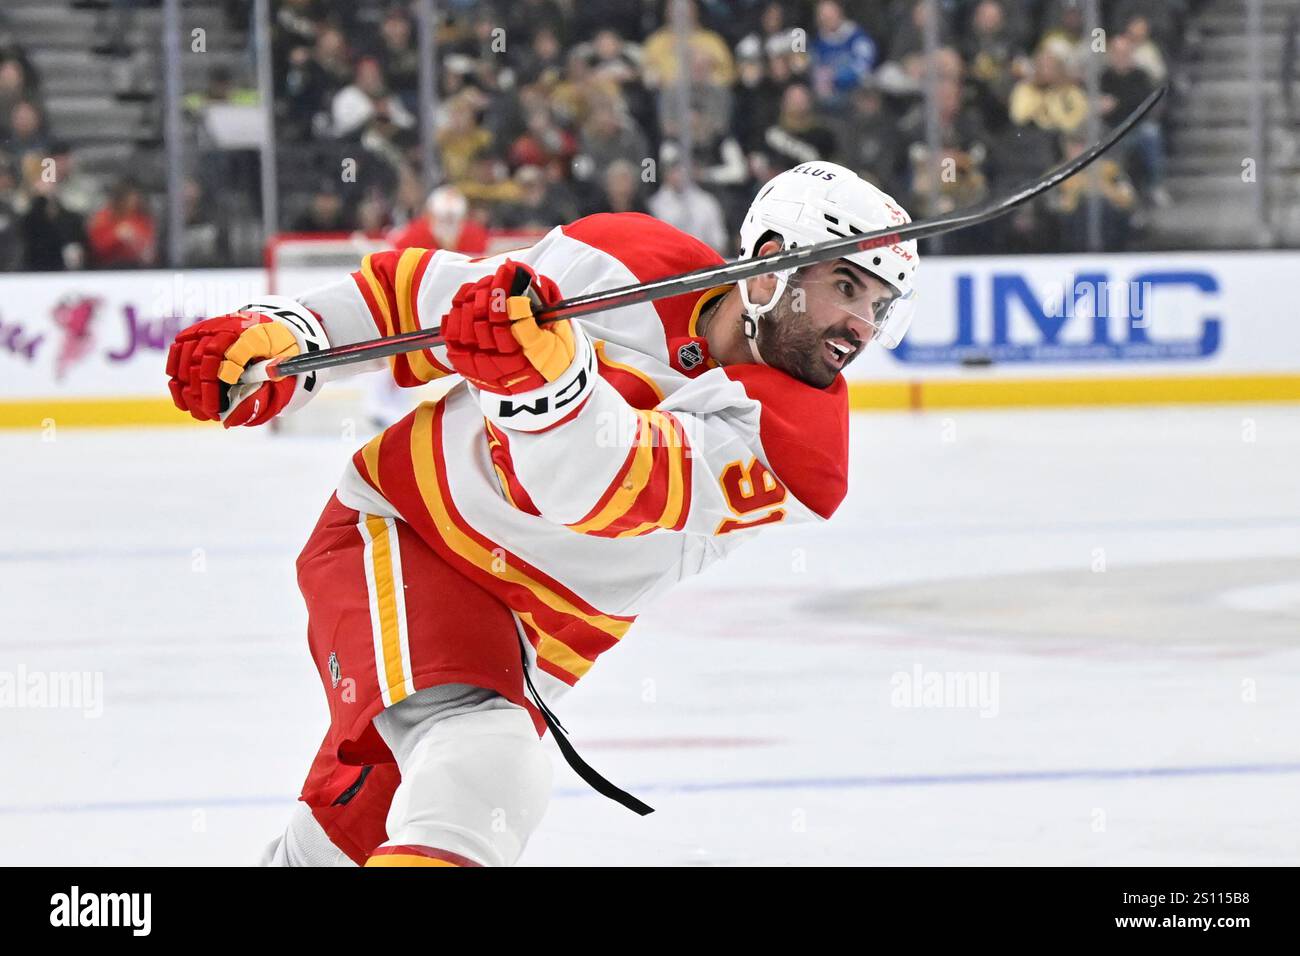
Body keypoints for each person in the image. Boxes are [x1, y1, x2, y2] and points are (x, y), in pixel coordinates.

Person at [164, 162, 920, 867]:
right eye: (846, 287)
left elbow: (599, 488)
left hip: (525, 654)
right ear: (772, 260)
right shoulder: (621, 255)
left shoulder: (801, 452)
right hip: (402, 537)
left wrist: (548, 383)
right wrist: (293, 336)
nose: (861, 325)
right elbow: (429, 304)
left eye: (879, 307)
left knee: (336, 844)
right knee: (489, 766)